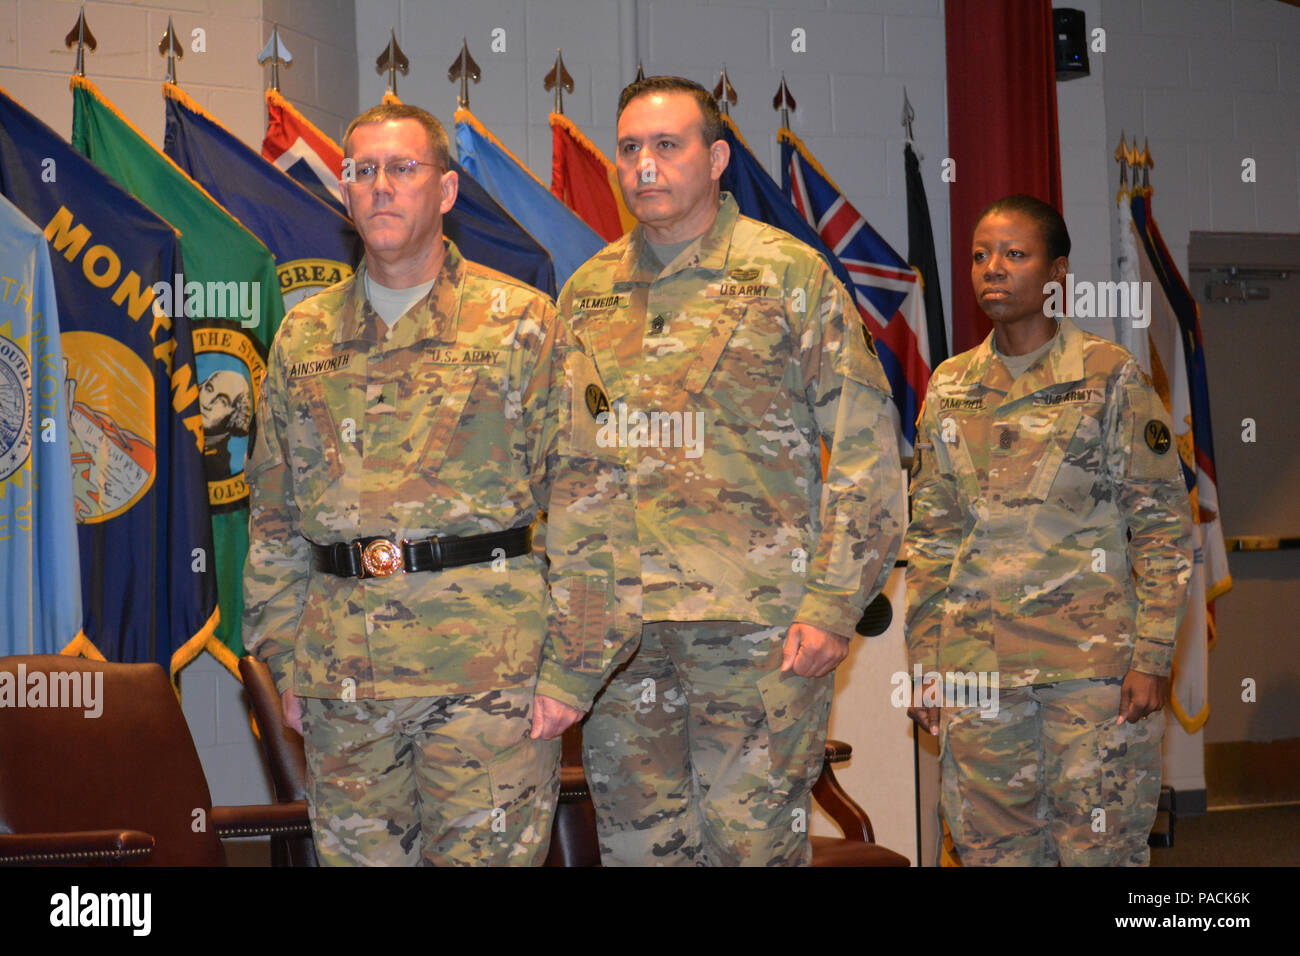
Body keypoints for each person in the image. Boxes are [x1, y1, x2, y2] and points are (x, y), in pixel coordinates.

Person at [242, 102, 637, 866]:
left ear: (447, 192)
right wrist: (287, 660)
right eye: (363, 171)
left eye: (403, 168)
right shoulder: (304, 337)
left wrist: (572, 672)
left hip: (490, 684)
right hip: (344, 681)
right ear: (345, 194)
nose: (381, 187)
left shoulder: (522, 324)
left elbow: (595, 505)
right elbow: (274, 519)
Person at [560, 76, 904, 866]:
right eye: (630, 149)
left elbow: (865, 449)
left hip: (759, 631)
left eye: (667, 146)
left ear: (716, 158)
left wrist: (833, 605)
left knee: (751, 850)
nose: (645, 165)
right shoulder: (585, 294)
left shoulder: (789, 276)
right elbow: (566, 472)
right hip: (623, 638)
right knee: (641, 851)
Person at [905, 194, 1194, 866]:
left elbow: (1160, 527)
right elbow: (931, 540)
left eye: (1014, 254)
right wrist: (925, 664)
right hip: (979, 673)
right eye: (981, 255)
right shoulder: (950, 387)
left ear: (1057, 273)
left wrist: (1151, 657)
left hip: (1090, 673)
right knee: (990, 853)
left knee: (1099, 848)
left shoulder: (1108, 377)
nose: (992, 269)